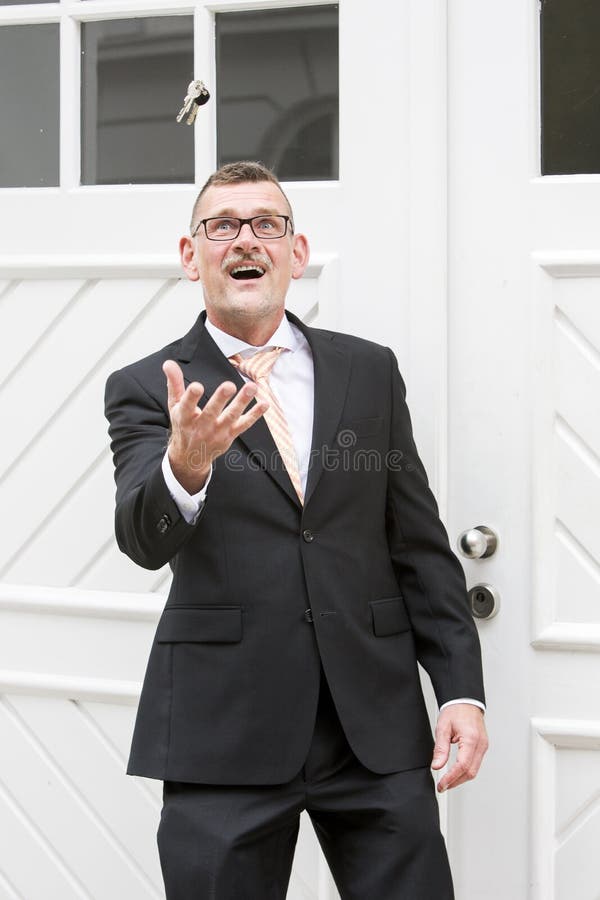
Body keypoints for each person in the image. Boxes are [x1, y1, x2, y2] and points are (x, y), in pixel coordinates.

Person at [105, 160, 488, 900]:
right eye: (223, 226)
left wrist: (460, 692)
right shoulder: (150, 388)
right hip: (225, 732)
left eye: (266, 225)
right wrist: (185, 466)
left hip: (372, 730)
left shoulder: (368, 371)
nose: (245, 240)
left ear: (296, 251)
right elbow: (141, 539)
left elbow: (417, 544)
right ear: (192, 257)